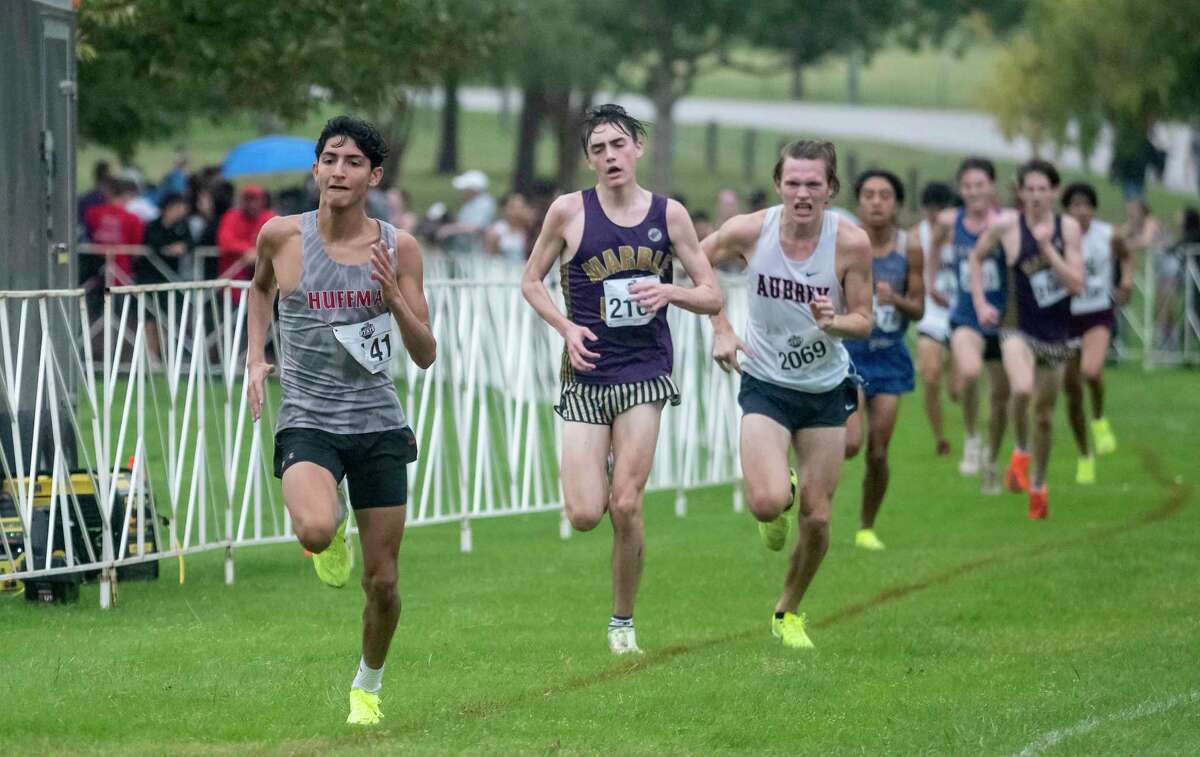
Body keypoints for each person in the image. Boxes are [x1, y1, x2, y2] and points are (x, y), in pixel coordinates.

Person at [246, 115, 436, 726]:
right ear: (315, 168)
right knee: (313, 528)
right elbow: (259, 289)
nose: (339, 171)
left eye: (354, 162)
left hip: (377, 422)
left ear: (374, 176)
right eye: (330, 159)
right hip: (308, 417)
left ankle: (367, 686)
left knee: (383, 583)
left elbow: (426, 353)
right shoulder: (281, 236)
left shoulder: (399, 248)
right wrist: (255, 357)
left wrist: (395, 299)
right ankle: (333, 530)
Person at [520, 104, 721, 655]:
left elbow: (712, 294)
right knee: (587, 514)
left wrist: (670, 291)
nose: (610, 156)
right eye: (598, 149)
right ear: (589, 160)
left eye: (617, 145)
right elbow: (531, 281)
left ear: (638, 147)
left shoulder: (670, 215)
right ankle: (602, 464)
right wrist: (565, 328)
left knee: (627, 504)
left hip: (644, 371)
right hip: (587, 373)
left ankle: (622, 623)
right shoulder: (568, 212)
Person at [704, 140, 872, 649]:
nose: (802, 193)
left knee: (818, 518)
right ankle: (783, 492)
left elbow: (864, 320)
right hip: (767, 383)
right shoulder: (750, 230)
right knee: (766, 503)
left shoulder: (851, 243)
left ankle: (788, 611)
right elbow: (696, 261)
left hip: (824, 389)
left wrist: (834, 321)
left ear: (830, 189)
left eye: (813, 184)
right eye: (793, 183)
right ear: (778, 184)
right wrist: (722, 328)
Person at [969, 159, 1083, 519]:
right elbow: (975, 257)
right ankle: (1020, 452)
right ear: (1020, 192)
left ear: (1054, 192)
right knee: (1020, 389)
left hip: (1056, 334)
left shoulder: (1068, 229)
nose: (1035, 196)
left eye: (1042, 189)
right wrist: (980, 302)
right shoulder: (1006, 226)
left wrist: (1048, 249)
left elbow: (1075, 284)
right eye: (1028, 189)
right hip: (1016, 327)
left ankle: (1039, 484)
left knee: (1045, 417)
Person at [843, 170, 924, 551]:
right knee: (850, 444)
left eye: (885, 195)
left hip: (890, 356)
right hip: (850, 355)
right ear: (859, 201)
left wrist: (897, 301)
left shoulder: (910, 247)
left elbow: (920, 309)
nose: (877, 202)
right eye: (869, 195)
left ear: (897, 203)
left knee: (877, 452)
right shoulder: (844, 242)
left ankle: (866, 526)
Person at [932, 157, 1010, 494]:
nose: (974, 192)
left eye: (980, 185)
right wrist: (931, 281)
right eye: (967, 186)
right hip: (965, 316)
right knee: (970, 371)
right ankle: (972, 438)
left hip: (1005, 322)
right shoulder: (950, 221)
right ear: (960, 189)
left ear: (991, 186)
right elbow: (934, 244)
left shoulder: (1006, 223)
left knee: (1002, 397)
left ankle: (992, 459)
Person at [1061, 183, 1132, 483]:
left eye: (1086, 205)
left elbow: (1126, 256)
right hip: (1065, 316)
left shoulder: (1107, 234)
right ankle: (1084, 455)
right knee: (1071, 392)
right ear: (1067, 211)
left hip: (1097, 311)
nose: (1081, 212)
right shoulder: (1058, 236)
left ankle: (1099, 419)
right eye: (1075, 206)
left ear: (1093, 209)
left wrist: (1125, 283)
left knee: (1091, 371)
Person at [912, 181, 959, 456]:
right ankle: (940, 437)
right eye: (930, 208)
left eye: (940, 208)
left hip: (961, 314)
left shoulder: (964, 232)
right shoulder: (915, 236)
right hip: (930, 314)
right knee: (930, 376)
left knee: (957, 389)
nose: (935, 214)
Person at [218, 185, 277, 283]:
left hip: (264, 277)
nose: (252, 204)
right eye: (248, 199)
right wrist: (247, 250)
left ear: (262, 201)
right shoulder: (231, 216)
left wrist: (258, 252)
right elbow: (225, 241)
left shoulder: (269, 217)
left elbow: (278, 241)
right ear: (242, 201)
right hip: (234, 276)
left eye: (255, 199)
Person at [437, 169, 497, 252]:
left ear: (473, 190)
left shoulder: (485, 203)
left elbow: (476, 228)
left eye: (465, 189)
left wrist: (450, 229)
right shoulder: (471, 203)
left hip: (475, 248)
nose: (462, 192)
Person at [484, 192, 534, 262]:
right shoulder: (496, 231)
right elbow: (489, 258)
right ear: (505, 209)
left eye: (520, 208)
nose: (517, 212)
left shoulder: (529, 232)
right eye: (513, 208)